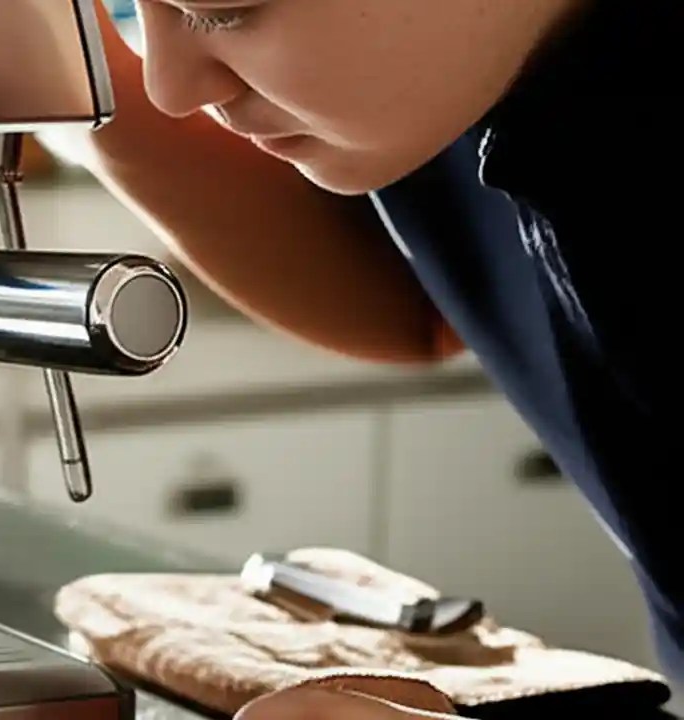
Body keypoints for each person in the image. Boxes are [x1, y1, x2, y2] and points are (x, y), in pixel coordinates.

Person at [43, 0, 681, 716]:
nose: (172, 87)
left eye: (226, 8)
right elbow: (429, 305)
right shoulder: (462, 63)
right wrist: (59, 62)